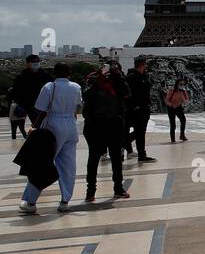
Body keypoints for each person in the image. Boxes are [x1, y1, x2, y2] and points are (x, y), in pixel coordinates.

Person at [16, 63, 81, 214]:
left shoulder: (49, 87)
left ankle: (30, 201)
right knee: (68, 165)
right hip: (71, 125)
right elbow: (77, 107)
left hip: (54, 125)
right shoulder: (76, 87)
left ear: (55, 73)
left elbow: (42, 110)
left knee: (41, 164)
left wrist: (34, 126)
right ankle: (65, 201)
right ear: (68, 73)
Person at [82, 69, 129, 202]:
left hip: (111, 127)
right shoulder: (93, 88)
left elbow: (127, 93)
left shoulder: (116, 87)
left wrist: (118, 77)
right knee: (96, 159)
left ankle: (116, 188)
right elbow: (85, 96)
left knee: (113, 159)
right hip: (97, 127)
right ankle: (91, 191)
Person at [125, 56, 156, 163]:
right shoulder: (132, 77)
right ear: (142, 65)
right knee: (139, 132)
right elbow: (129, 95)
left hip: (143, 109)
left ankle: (141, 154)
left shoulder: (143, 77)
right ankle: (124, 143)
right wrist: (135, 106)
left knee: (140, 133)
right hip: (137, 110)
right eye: (145, 64)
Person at [11, 54, 43, 137]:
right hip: (30, 107)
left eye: (37, 62)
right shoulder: (21, 77)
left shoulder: (44, 75)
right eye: (33, 62)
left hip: (44, 107)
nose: (36, 64)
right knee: (39, 127)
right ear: (28, 64)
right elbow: (16, 92)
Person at [164, 77, 190, 143]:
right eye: (180, 84)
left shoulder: (184, 91)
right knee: (173, 124)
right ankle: (173, 139)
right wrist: (172, 105)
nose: (182, 86)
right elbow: (166, 100)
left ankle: (182, 135)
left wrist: (185, 102)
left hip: (178, 107)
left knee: (183, 120)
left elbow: (186, 99)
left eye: (183, 84)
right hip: (171, 107)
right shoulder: (171, 90)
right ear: (177, 84)